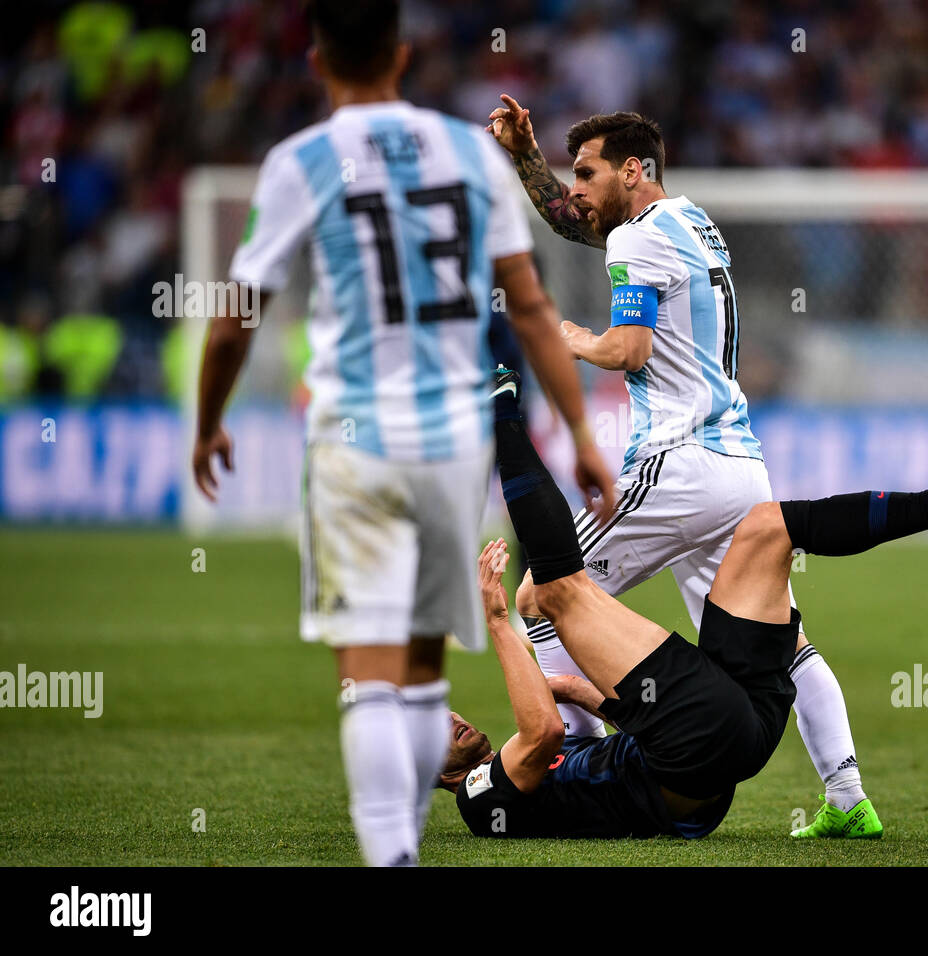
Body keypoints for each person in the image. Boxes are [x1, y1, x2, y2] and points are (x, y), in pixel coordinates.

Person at [191, 0, 614, 866]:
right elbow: (530, 308)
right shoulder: (466, 152)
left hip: (353, 437)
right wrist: (580, 431)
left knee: (368, 669)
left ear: (316, 61)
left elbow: (237, 313)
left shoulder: (300, 160)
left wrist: (207, 423)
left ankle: (393, 858)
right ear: (404, 54)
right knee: (422, 665)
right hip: (455, 440)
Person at [487, 95, 896, 836]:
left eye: (587, 172)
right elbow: (572, 218)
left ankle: (576, 761)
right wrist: (525, 152)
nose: (574, 189)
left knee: (543, 597)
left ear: (634, 171)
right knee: (781, 643)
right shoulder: (689, 221)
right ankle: (846, 797)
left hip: (680, 466)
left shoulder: (635, 241)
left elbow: (630, 350)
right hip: (740, 464)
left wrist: (565, 335)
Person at [438, 368, 928, 839]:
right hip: (694, 749)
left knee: (769, 529)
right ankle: (502, 412)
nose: (453, 720)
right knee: (553, 589)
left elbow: (588, 733)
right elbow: (543, 735)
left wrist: (565, 686)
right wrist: (496, 623)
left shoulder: (523, 774)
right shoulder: (476, 797)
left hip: (737, 735)